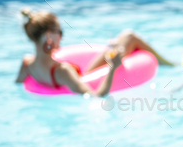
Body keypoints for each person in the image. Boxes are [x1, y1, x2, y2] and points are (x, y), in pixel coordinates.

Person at [15, 9, 173, 96]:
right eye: (60, 32)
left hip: (81, 76)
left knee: (125, 39)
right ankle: (170, 65)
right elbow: (96, 96)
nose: (61, 37)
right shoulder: (62, 71)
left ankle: (168, 64)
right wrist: (113, 68)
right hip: (84, 79)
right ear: (49, 36)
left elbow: (19, 84)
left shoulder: (27, 63)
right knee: (129, 36)